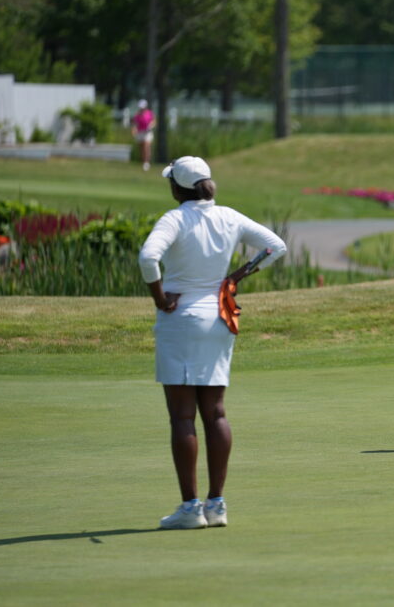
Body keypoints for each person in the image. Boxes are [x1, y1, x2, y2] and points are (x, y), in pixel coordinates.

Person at [138, 156, 286, 529]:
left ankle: (191, 508)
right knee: (216, 413)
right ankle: (216, 505)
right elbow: (275, 247)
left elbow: (148, 258)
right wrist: (237, 276)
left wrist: (160, 299)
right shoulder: (229, 216)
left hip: (181, 320)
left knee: (182, 416)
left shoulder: (174, 219)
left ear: (177, 188)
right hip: (219, 317)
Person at [131, 99, 156, 171]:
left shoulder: (149, 113)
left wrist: (151, 126)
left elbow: (154, 121)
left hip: (147, 132)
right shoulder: (137, 115)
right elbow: (135, 124)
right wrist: (134, 130)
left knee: (146, 146)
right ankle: (144, 162)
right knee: (141, 148)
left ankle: (146, 162)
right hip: (140, 132)